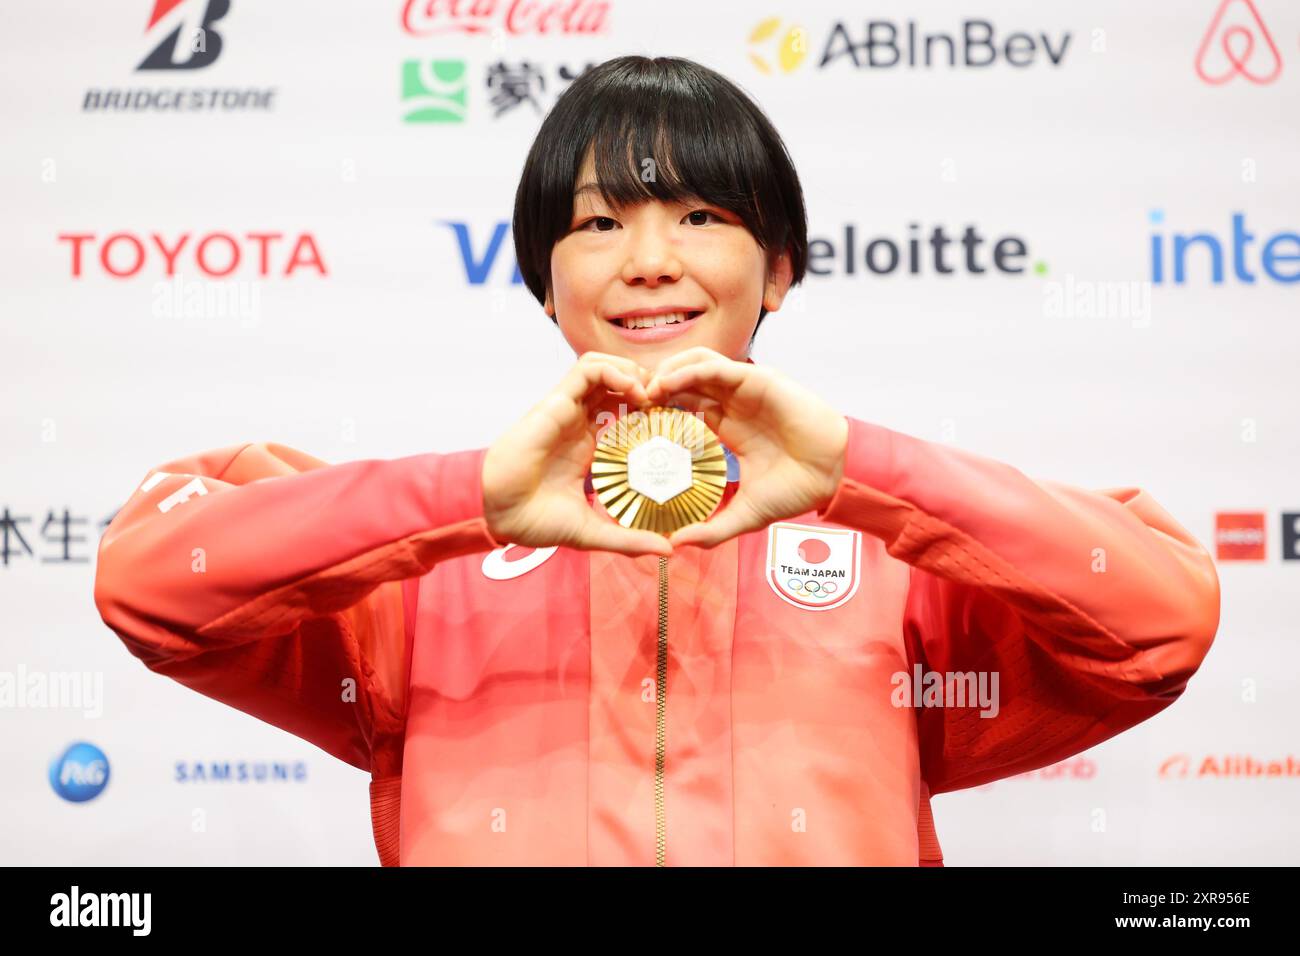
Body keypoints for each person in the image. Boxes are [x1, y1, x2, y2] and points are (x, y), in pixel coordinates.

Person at [93, 56, 1221, 866]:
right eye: (596, 226)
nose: (645, 261)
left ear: (778, 270)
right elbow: (151, 584)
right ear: (543, 280)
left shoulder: (894, 551)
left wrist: (857, 470)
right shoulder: (419, 562)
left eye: (698, 216)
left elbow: (1161, 620)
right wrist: (468, 500)